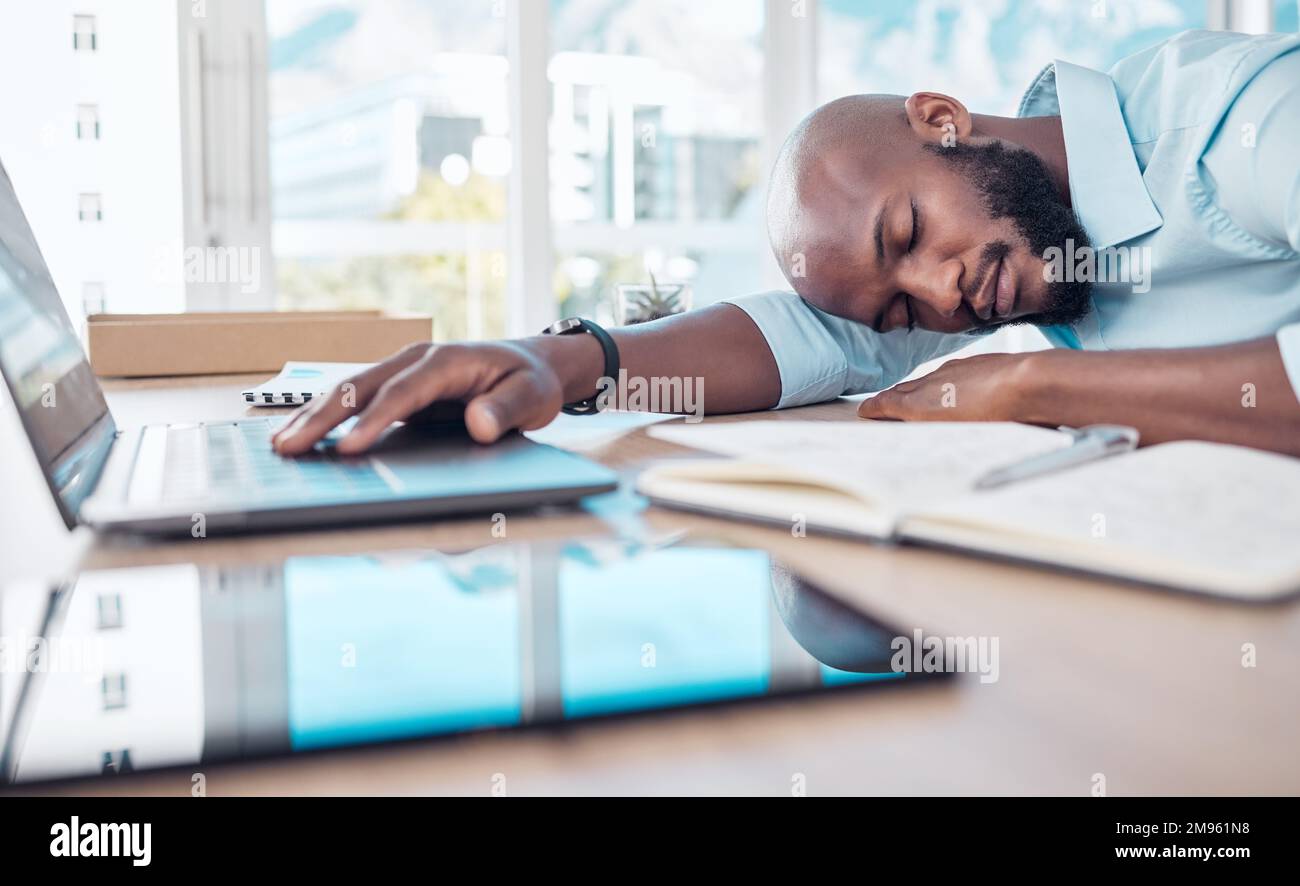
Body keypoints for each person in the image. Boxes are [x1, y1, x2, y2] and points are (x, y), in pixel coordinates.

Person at [274, 29, 1300, 460]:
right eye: (901, 311)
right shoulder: (1000, 250)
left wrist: (1038, 390)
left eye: (905, 232)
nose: (940, 298)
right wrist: (566, 359)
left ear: (943, 117)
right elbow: (813, 340)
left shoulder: (1242, 124)